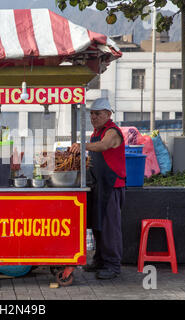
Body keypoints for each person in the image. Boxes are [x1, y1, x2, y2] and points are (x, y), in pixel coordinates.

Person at [69, 98, 126, 280]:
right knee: (98, 226)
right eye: (92, 113)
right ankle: (100, 260)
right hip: (98, 185)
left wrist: (82, 146)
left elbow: (104, 146)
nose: (93, 116)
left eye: (98, 113)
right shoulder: (96, 133)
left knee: (110, 228)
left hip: (112, 186)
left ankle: (113, 265)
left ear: (108, 114)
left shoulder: (112, 132)